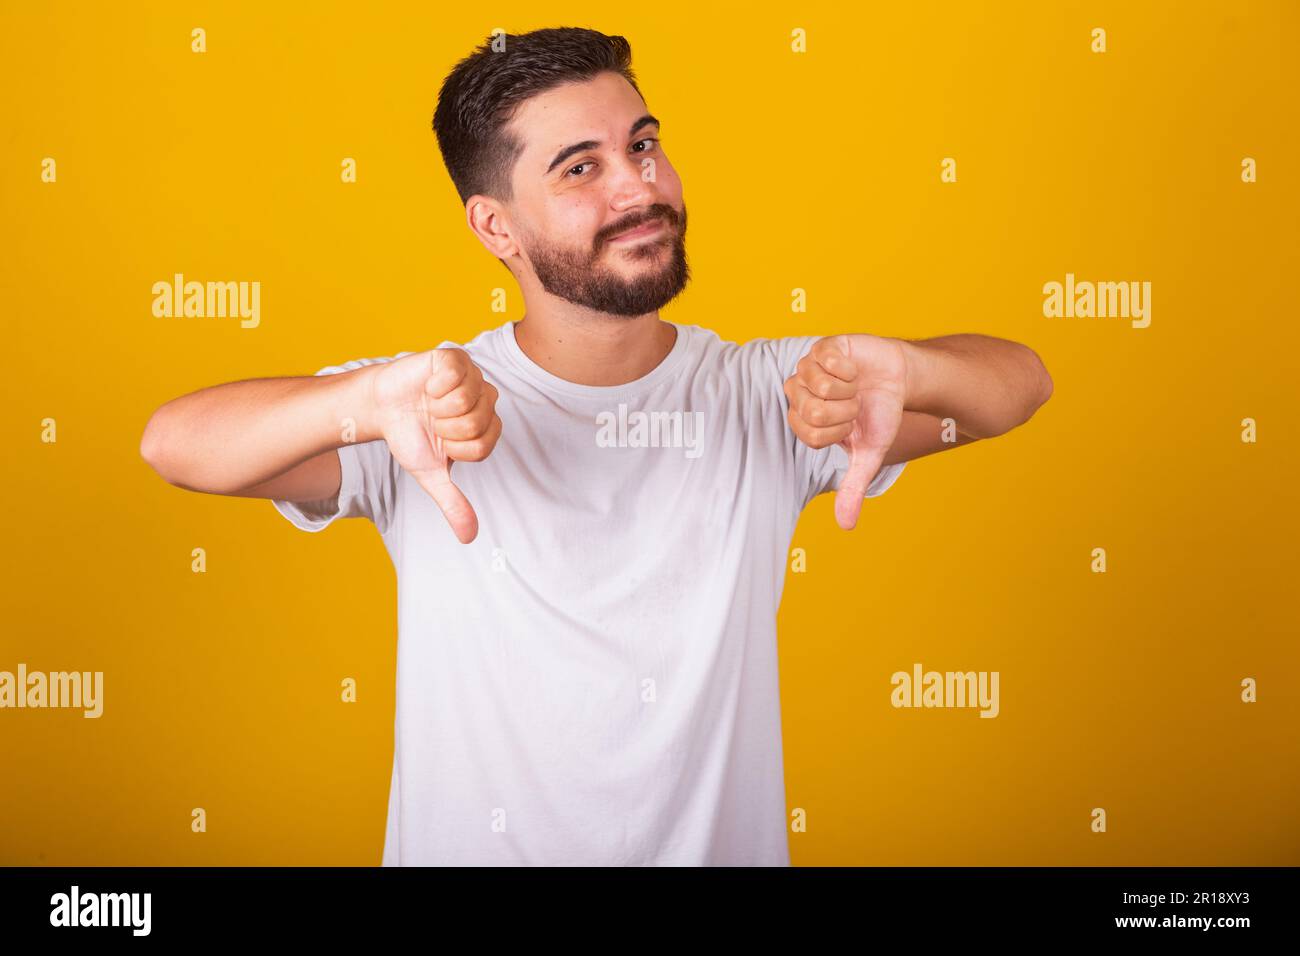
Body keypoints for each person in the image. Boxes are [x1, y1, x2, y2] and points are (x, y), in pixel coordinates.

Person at [139, 26, 1052, 865]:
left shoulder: (771, 397)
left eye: (642, 145)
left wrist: (912, 369)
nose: (639, 185)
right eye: (581, 169)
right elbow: (174, 444)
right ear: (496, 226)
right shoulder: (420, 412)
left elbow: (1020, 384)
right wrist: (364, 399)